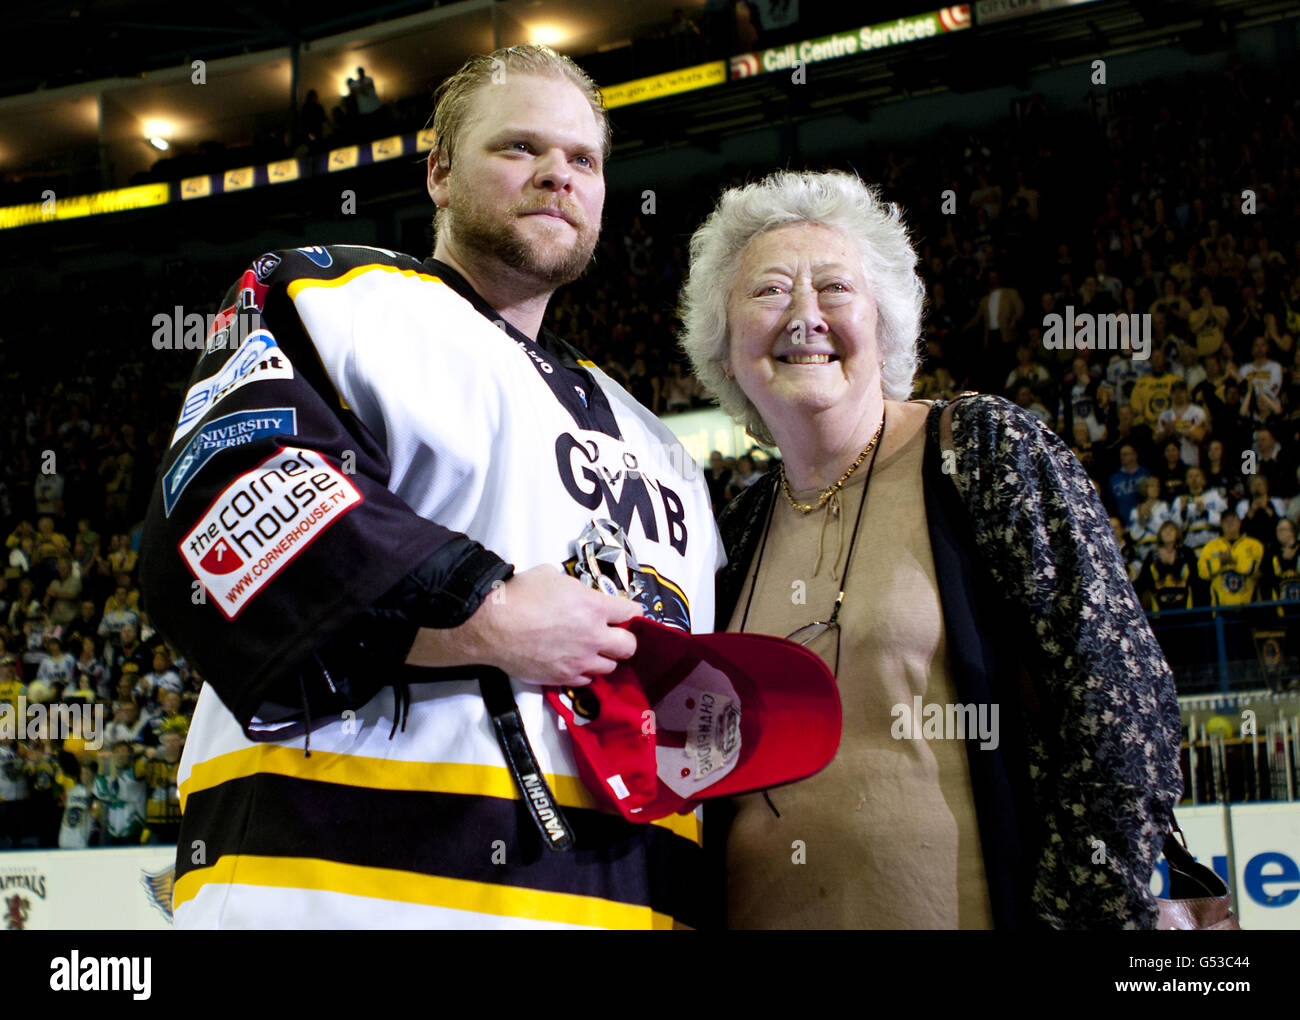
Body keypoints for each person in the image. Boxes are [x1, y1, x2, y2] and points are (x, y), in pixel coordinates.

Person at [140, 45, 722, 930]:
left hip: (622, 900)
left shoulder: (651, 434)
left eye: (584, 160)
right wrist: (482, 612)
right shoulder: (330, 296)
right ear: (440, 173)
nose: (558, 176)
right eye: (520, 148)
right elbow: (235, 495)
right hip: (341, 889)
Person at [678, 170, 1182, 929]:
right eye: (770, 291)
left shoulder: (981, 452)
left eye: (835, 289)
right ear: (725, 341)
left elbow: (1120, 703)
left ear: (884, 323)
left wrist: (1086, 918)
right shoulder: (733, 526)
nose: (804, 316)